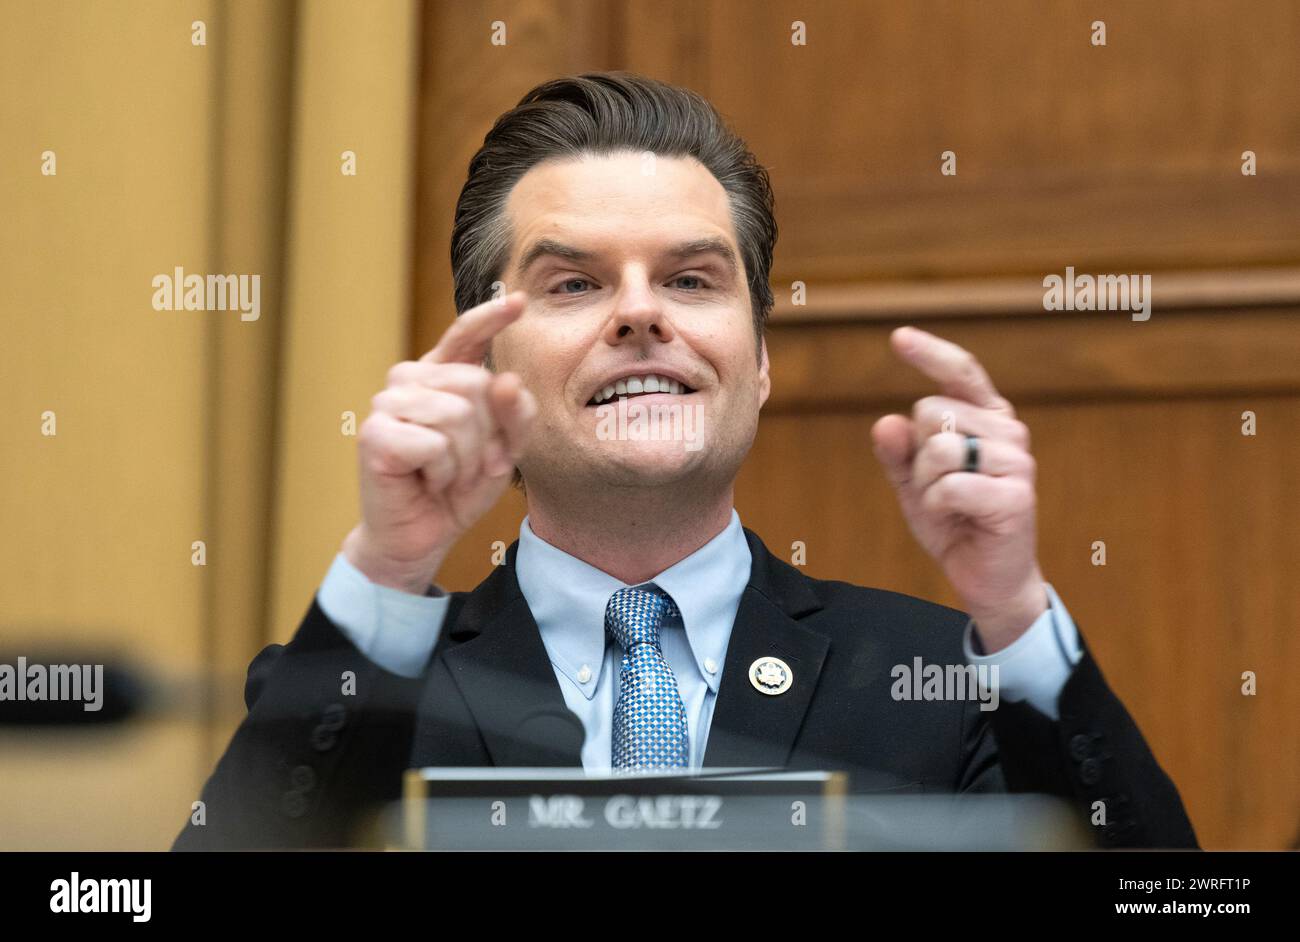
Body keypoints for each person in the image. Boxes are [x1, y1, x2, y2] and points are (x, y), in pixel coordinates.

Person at [173, 71, 1196, 850]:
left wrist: (1014, 612)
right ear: (486, 364)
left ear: (756, 361)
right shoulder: (370, 681)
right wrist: (384, 574)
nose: (639, 314)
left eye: (691, 278)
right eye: (573, 285)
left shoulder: (938, 684)